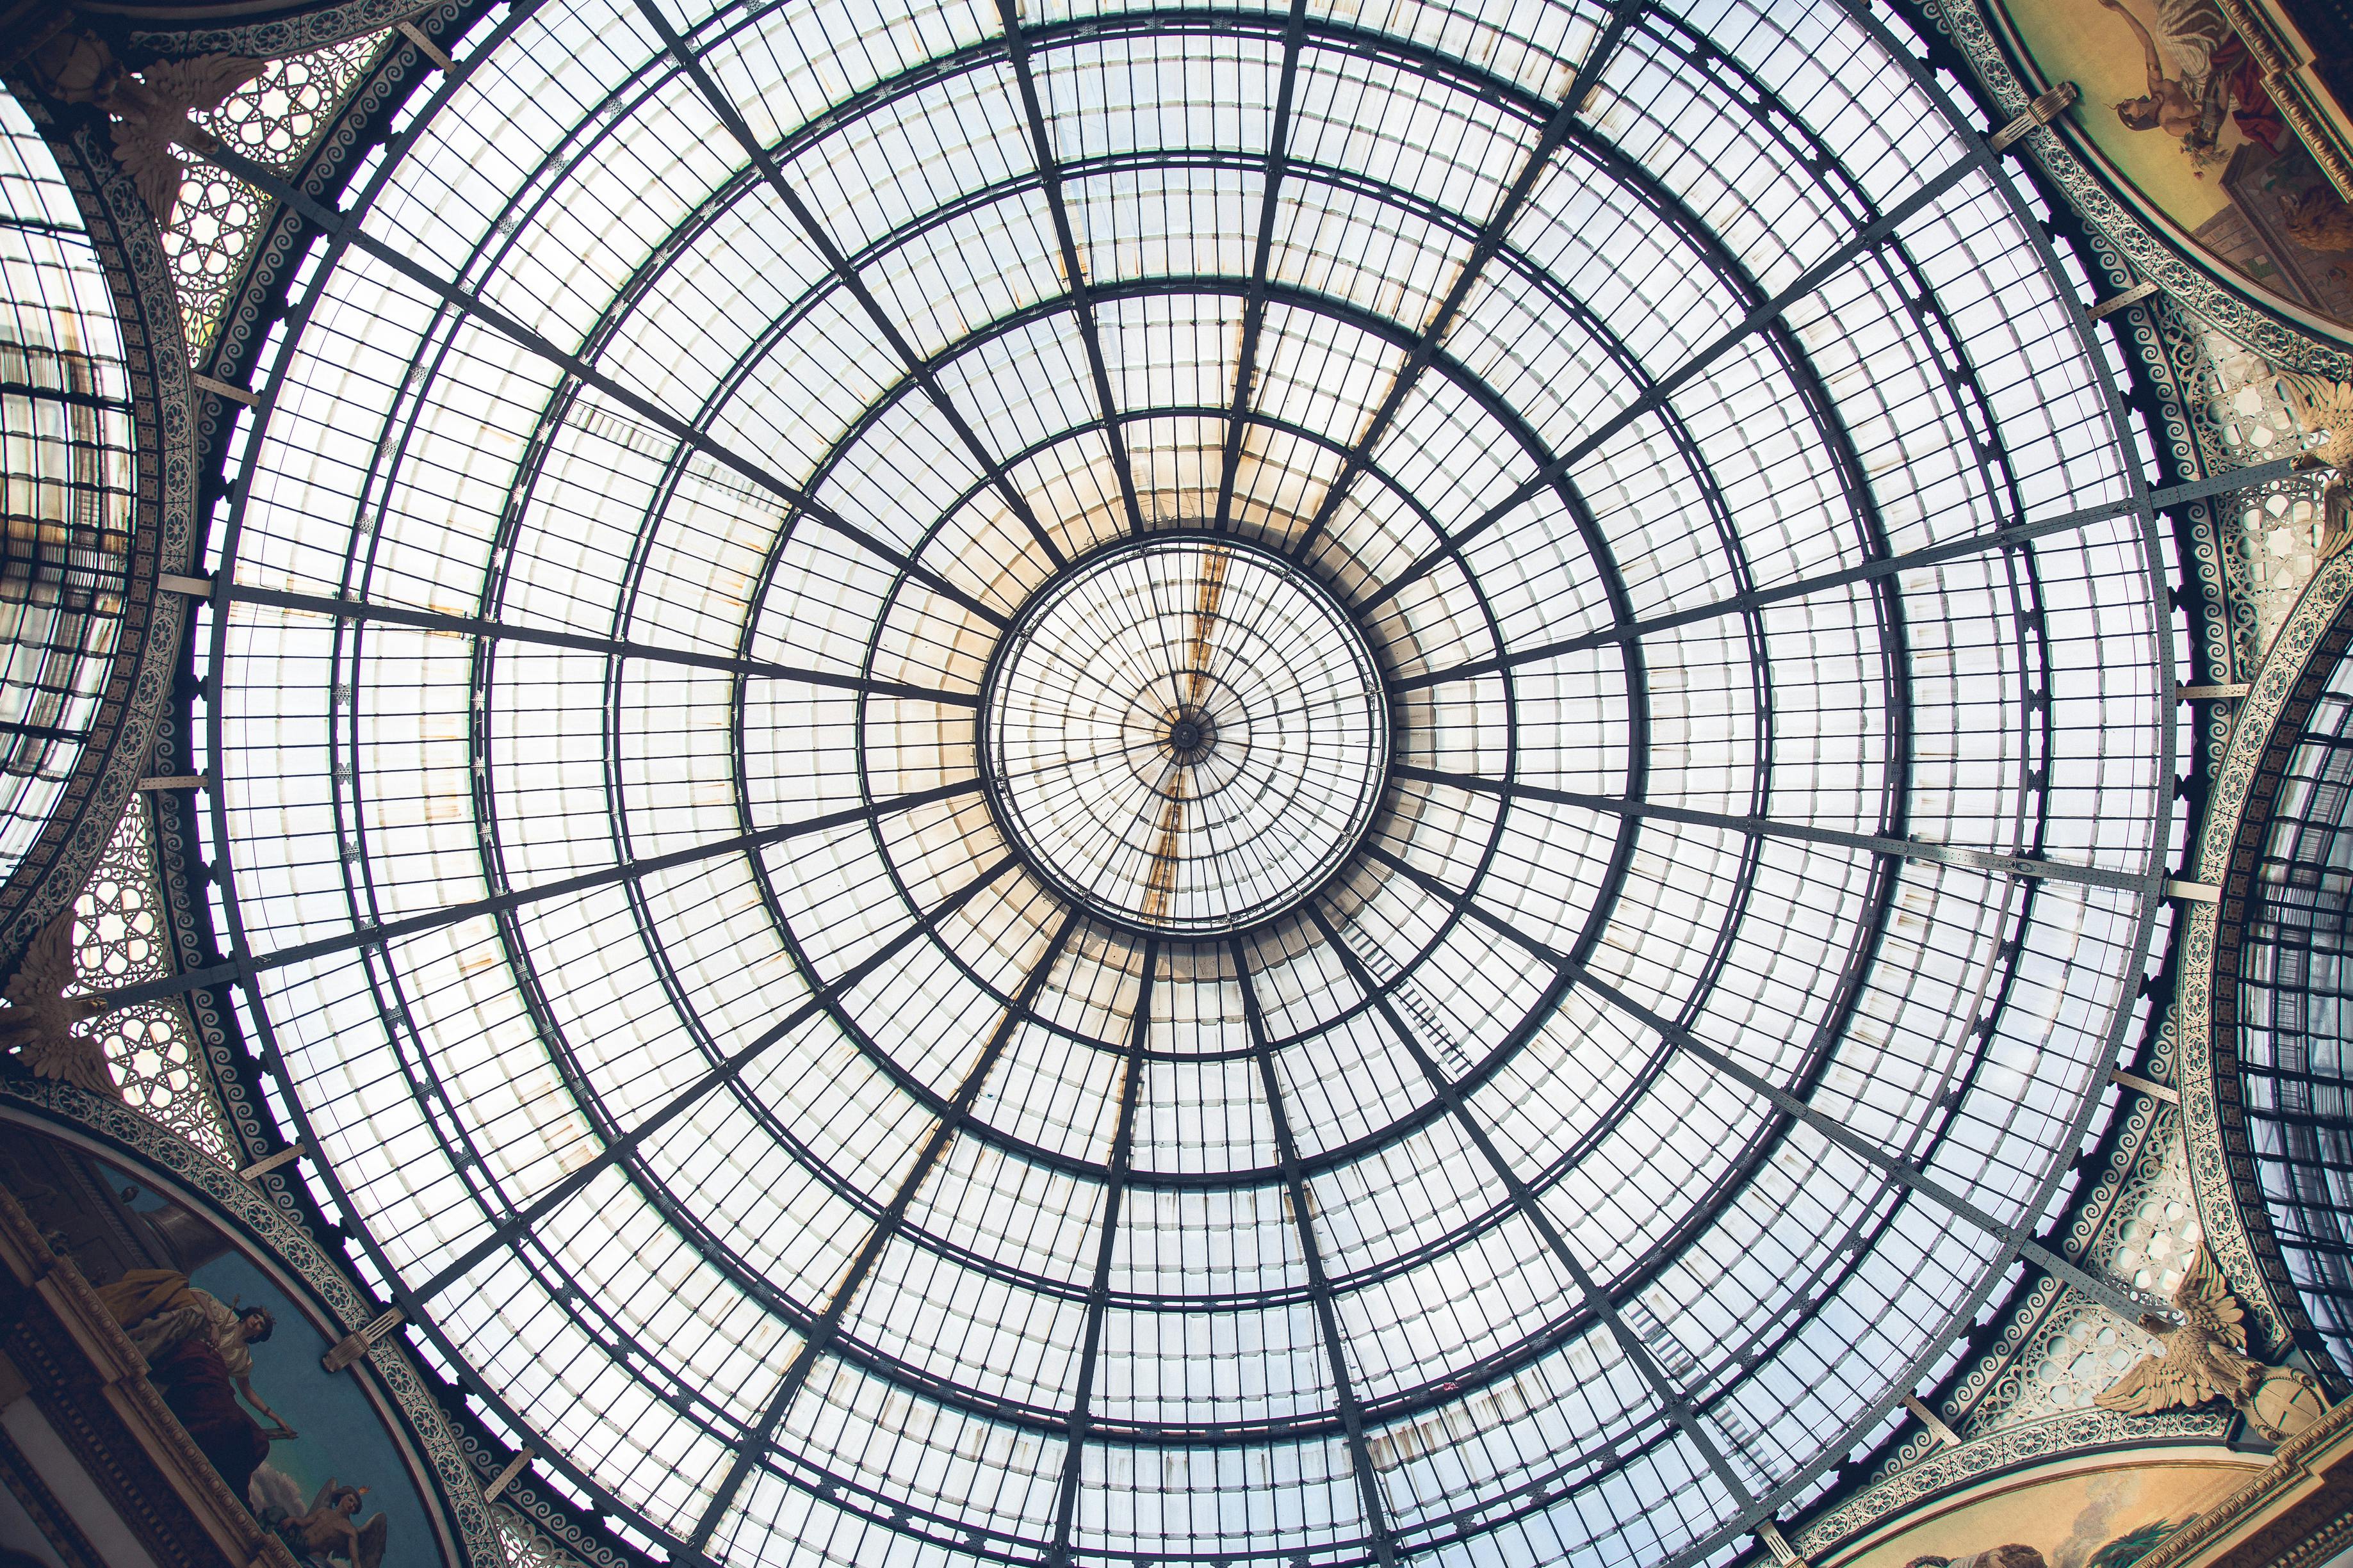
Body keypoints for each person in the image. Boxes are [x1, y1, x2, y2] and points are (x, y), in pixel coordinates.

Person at [93, 1268, 293, 1436]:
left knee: (219, 1400)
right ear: (249, 1315)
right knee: (192, 1312)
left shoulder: (243, 1359)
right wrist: (213, 1323)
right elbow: (197, 1293)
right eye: (257, 1317)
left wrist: (275, 1417)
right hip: (178, 1350)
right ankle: (131, 1345)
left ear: (260, 1335)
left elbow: (247, 1391)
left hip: (191, 1374)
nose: (257, 1322)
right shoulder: (226, 1316)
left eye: (261, 1325)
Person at [288, 1479, 387, 1568]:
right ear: (341, 1497)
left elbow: (355, 1561)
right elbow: (305, 1522)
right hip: (298, 1545)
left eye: (355, 1506)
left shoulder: (350, 1530)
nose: (351, 1505)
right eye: (350, 1500)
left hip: (314, 1561)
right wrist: (293, 1520)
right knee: (278, 1515)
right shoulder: (323, 1511)